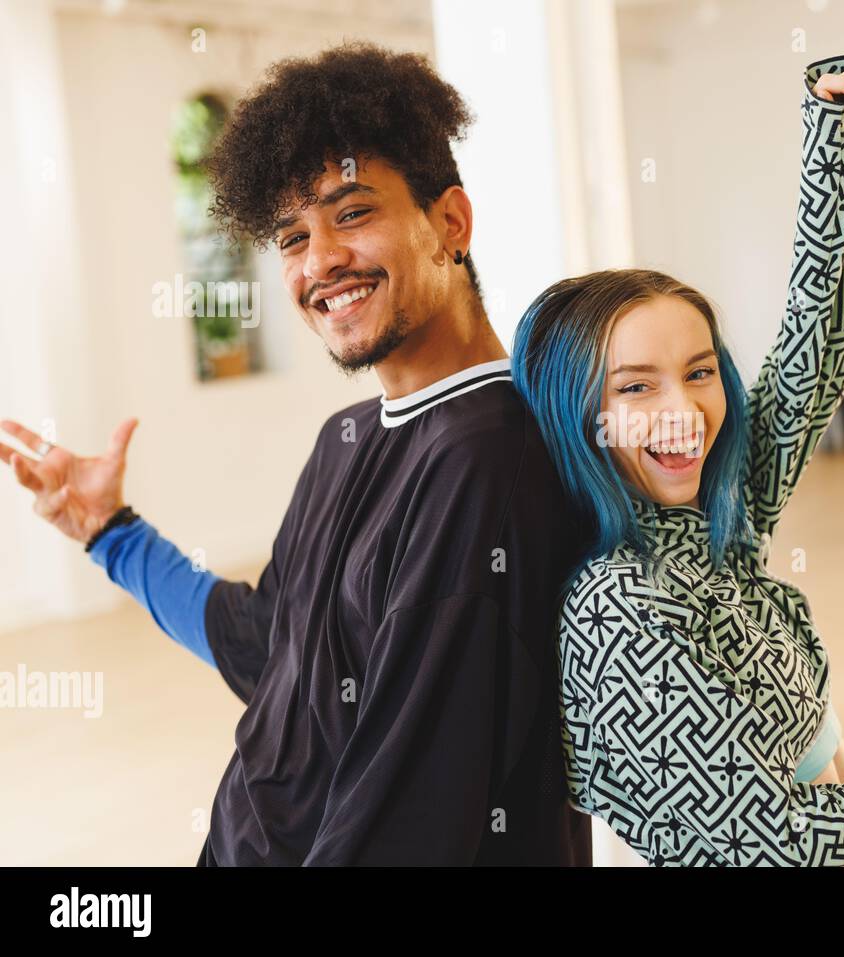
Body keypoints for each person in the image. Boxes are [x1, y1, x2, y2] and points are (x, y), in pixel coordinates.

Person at [1, 42, 591, 866]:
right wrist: (113, 533)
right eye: (290, 236)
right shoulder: (345, 442)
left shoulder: (490, 457)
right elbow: (272, 650)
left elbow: (416, 805)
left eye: (352, 213)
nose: (320, 262)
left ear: (449, 222)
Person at [510, 54, 844, 866]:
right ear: (576, 416)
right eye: (635, 387)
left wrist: (840, 134)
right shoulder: (620, 608)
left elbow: (823, 334)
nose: (684, 411)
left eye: (700, 371)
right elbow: (773, 839)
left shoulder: (716, 518)